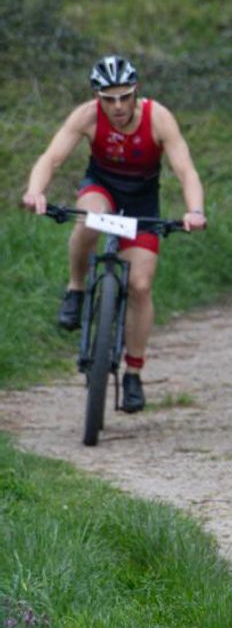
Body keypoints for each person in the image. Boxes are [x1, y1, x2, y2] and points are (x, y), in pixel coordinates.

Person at [21, 55, 206, 413]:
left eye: (125, 97)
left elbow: (186, 171)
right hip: (102, 188)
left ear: (137, 92)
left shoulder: (159, 118)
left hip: (142, 204)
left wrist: (194, 211)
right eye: (109, 98)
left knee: (139, 285)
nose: (118, 106)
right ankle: (76, 288)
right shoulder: (86, 116)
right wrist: (36, 191)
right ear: (97, 97)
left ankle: (133, 373)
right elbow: (51, 158)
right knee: (89, 217)